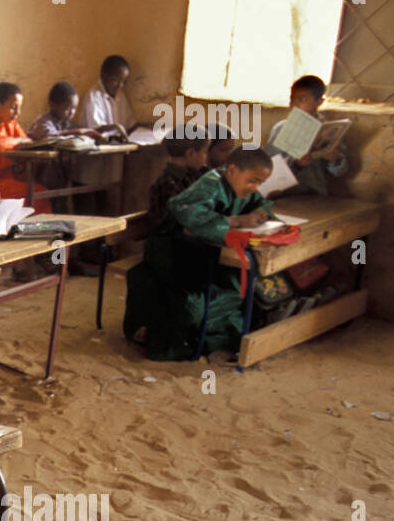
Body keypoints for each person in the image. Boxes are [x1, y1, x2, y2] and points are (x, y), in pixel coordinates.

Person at [122, 148, 275, 360]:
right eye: (253, 181)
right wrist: (237, 221)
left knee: (234, 287)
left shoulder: (243, 188)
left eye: (261, 183)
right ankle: (189, 343)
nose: (256, 187)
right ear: (231, 170)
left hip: (207, 251)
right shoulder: (211, 184)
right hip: (174, 252)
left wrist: (262, 213)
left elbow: (262, 203)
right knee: (193, 301)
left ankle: (213, 343)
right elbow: (181, 208)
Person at [263, 75, 348, 196]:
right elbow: (268, 166)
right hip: (285, 194)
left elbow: (339, 171)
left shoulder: (330, 130)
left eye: (302, 100)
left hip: (316, 194)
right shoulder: (281, 128)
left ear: (319, 102)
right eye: (292, 99)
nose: (294, 105)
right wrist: (296, 164)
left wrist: (335, 160)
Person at [148, 124, 214, 225]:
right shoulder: (167, 185)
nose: (206, 158)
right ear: (190, 153)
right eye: (204, 153)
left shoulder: (196, 174)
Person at [79, 55, 142, 141]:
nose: (120, 85)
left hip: (117, 148)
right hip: (98, 150)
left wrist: (147, 128)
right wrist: (115, 128)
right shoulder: (94, 97)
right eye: (115, 80)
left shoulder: (120, 95)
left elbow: (130, 125)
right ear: (103, 76)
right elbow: (96, 132)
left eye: (124, 81)